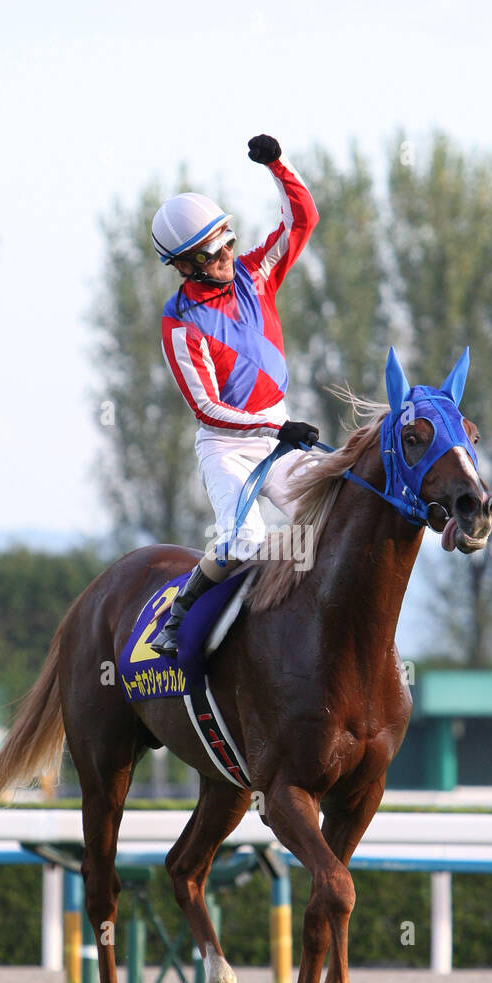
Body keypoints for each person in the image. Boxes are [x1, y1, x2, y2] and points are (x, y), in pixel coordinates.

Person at [148, 133, 321, 657]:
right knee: (242, 543)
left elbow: (302, 221)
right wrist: (274, 430)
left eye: (226, 240)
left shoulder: (255, 271)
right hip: (229, 447)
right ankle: (176, 619)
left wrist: (277, 165)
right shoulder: (180, 322)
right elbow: (208, 409)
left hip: (278, 434)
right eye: (210, 251)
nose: (225, 255)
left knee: (327, 523)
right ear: (184, 264)